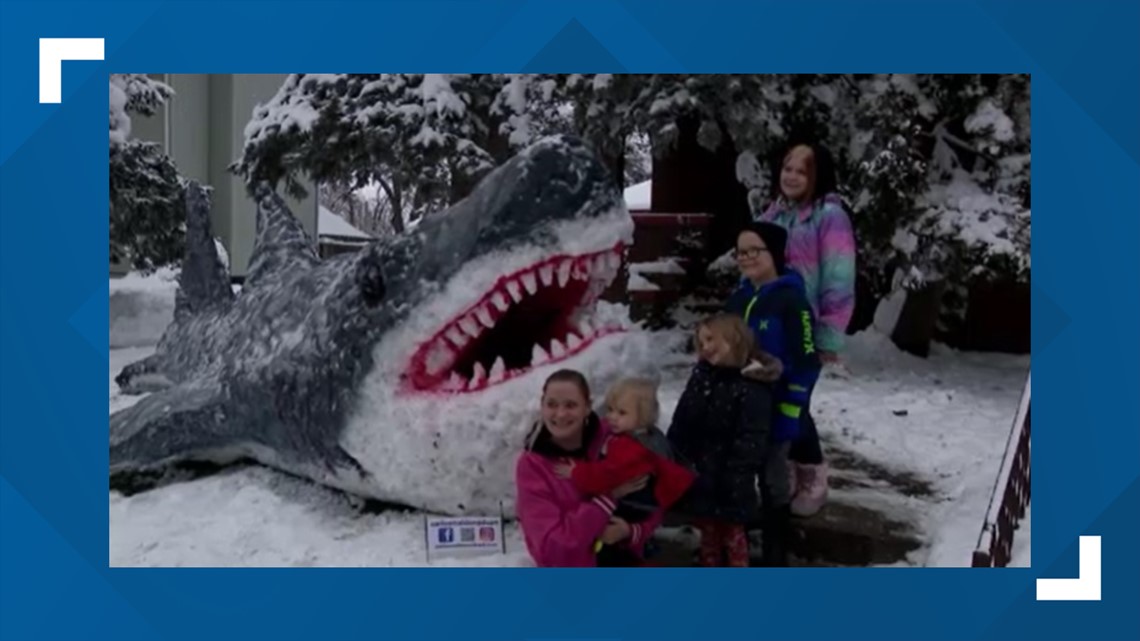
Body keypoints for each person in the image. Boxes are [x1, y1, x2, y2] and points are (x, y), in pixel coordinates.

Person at [515, 369, 664, 567]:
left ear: (587, 407)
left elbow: (655, 495)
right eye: (551, 404)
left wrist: (631, 531)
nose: (560, 414)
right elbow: (553, 551)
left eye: (571, 405)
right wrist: (606, 500)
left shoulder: (615, 437)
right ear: (542, 406)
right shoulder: (533, 466)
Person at [727, 221, 826, 517]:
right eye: (740, 252)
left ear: (775, 254)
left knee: (796, 428)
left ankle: (811, 474)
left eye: (754, 250)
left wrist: (795, 398)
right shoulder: (739, 298)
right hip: (746, 392)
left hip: (785, 389)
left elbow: (808, 358)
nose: (745, 258)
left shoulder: (792, 300)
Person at [667, 314, 777, 567]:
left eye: (711, 339)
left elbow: (752, 436)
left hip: (731, 476)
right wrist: (675, 454)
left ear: (734, 339)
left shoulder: (751, 385)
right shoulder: (702, 375)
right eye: (701, 341)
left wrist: (737, 472)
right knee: (708, 532)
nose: (705, 346)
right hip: (702, 470)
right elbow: (683, 417)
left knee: (732, 534)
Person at [553, 377, 695, 565]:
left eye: (621, 412)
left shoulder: (629, 448)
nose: (611, 416)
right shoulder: (650, 436)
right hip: (645, 507)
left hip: (631, 507)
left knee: (608, 546)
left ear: (642, 417)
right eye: (610, 409)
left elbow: (606, 475)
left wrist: (576, 472)